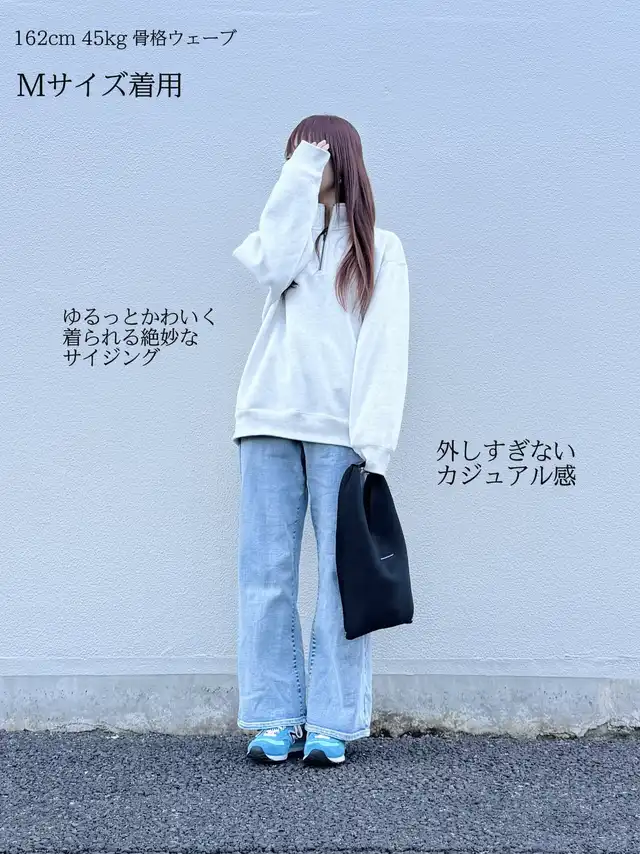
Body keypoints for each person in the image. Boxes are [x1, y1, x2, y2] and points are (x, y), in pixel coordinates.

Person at [231, 114, 410, 766]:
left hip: (340, 433)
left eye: (318, 154)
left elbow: (386, 348)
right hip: (266, 420)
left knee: (341, 579)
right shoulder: (289, 237)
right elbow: (268, 264)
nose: (304, 164)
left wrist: (375, 445)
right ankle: (275, 716)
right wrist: (302, 174)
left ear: (346, 160)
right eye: (295, 156)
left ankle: (332, 720)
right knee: (265, 576)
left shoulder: (380, 248)